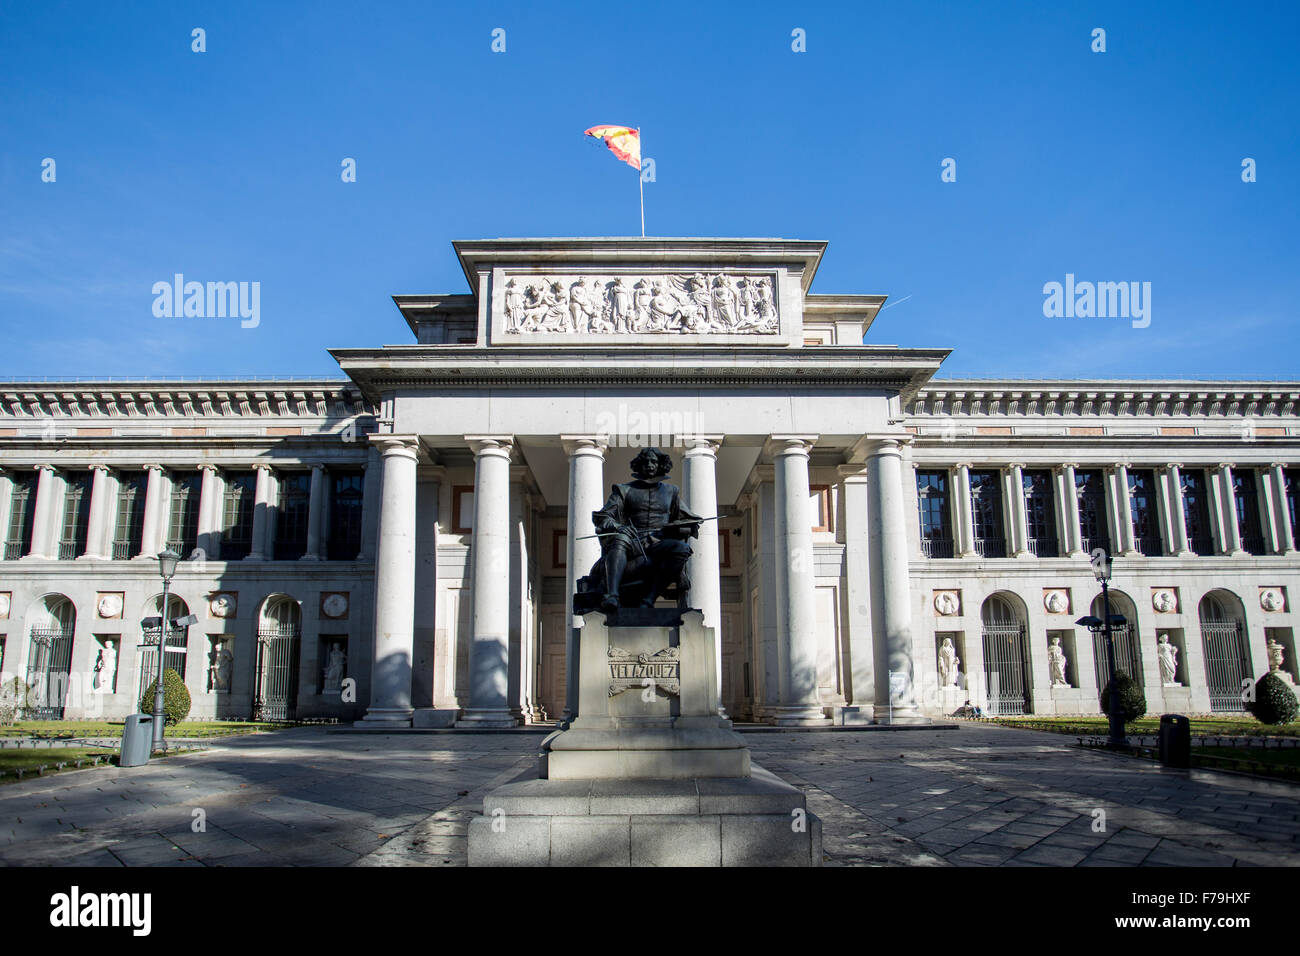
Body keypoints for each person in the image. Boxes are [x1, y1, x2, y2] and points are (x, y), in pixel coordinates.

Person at [574, 448, 703, 614]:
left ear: (660, 465)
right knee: (620, 538)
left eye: (654, 461)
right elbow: (603, 517)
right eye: (646, 462)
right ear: (639, 465)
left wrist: (681, 525)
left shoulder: (672, 492)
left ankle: (649, 599)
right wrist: (619, 526)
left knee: (682, 549)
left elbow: (689, 520)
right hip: (631, 542)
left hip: (659, 544)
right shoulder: (623, 490)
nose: (649, 465)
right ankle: (612, 596)